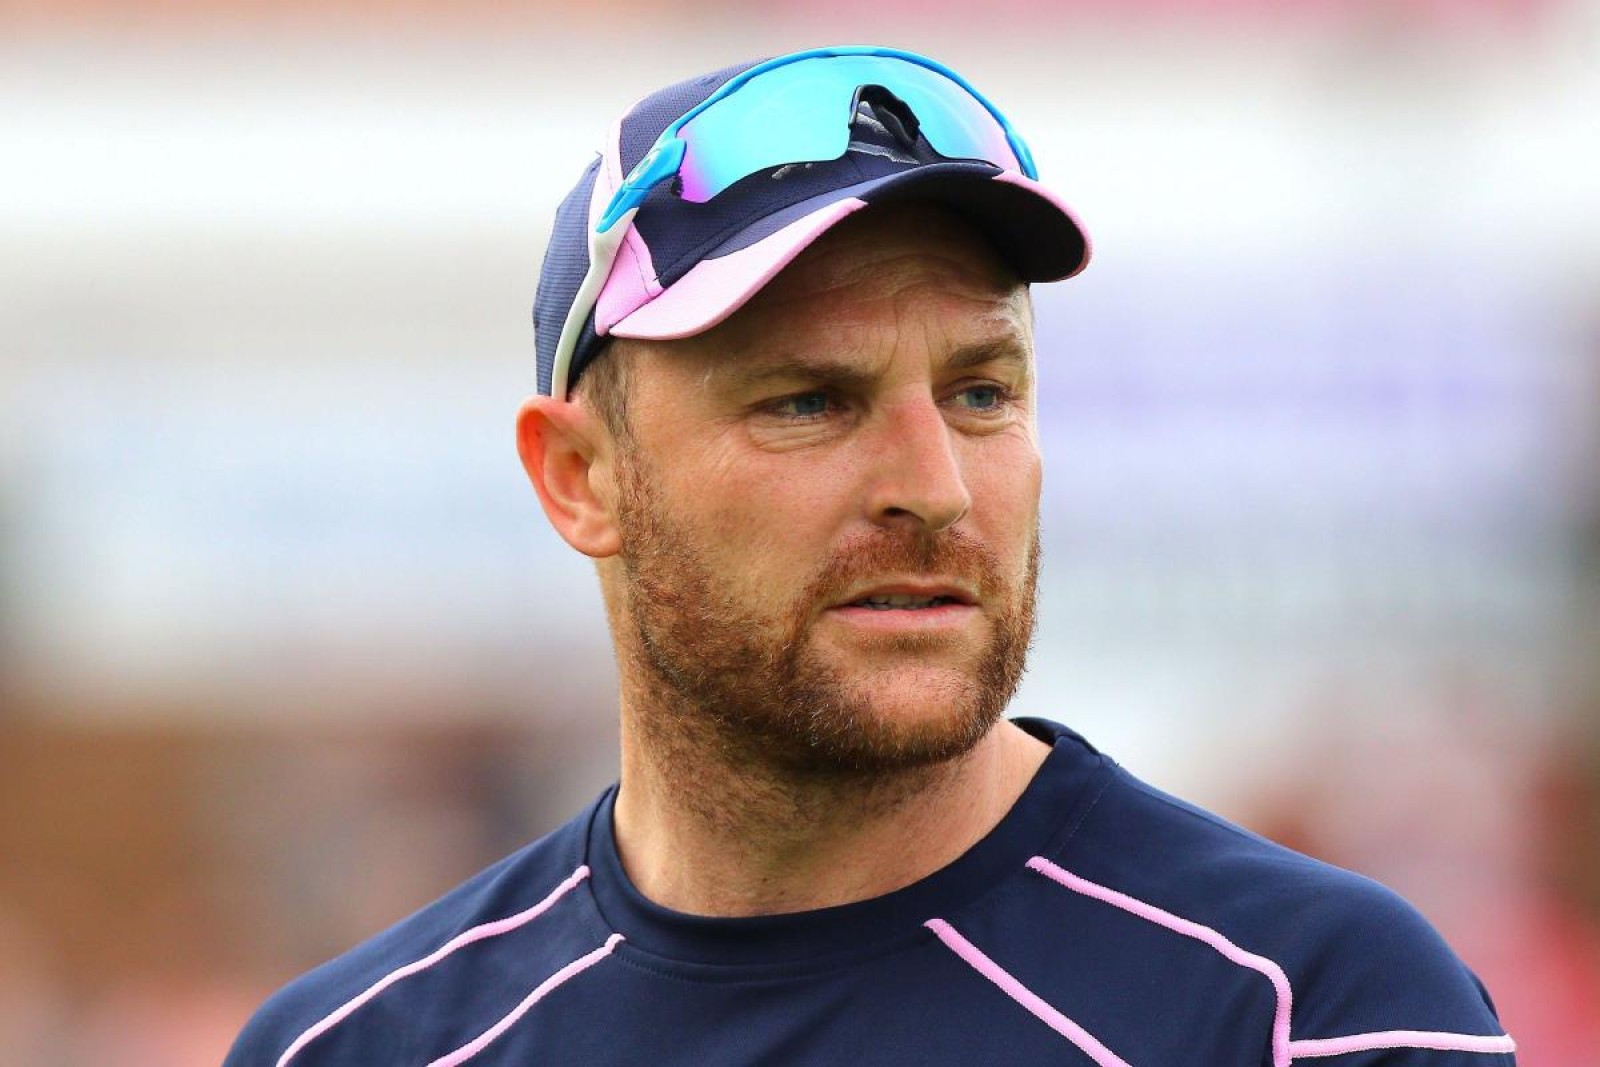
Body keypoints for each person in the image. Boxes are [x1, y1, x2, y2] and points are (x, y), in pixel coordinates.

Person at [224, 46, 1516, 1066]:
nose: (935, 489)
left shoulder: (1309, 1012)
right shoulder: (360, 1047)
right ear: (581, 477)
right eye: (809, 401)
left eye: (981, 392)